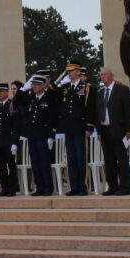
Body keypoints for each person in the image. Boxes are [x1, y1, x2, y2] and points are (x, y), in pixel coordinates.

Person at [89, 67, 130, 195]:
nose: (103, 77)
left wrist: (129, 129)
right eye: (101, 75)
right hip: (104, 130)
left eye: (105, 74)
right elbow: (97, 112)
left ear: (111, 75)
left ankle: (125, 187)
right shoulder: (100, 92)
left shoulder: (122, 90)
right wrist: (98, 131)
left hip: (119, 130)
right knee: (109, 160)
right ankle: (112, 186)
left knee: (122, 159)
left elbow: (128, 110)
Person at [16, 75, 57, 196]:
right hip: (32, 134)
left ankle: (48, 187)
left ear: (43, 85)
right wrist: (23, 90)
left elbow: (52, 118)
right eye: (33, 85)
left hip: (43, 134)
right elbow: (16, 102)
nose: (34, 87)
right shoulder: (30, 98)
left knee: (44, 162)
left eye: (37, 85)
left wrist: (51, 135)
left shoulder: (49, 98)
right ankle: (39, 187)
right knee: (35, 162)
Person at [55, 63, 90, 196]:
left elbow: (89, 109)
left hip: (80, 127)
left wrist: (89, 127)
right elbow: (52, 88)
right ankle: (74, 186)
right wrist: (61, 77)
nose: (69, 74)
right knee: (71, 158)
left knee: (81, 158)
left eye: (71, 71)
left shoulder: (86, 88)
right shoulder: (65, 87)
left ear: (78, 72)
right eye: (67, 72)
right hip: (68, 127)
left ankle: (82, 186)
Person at [0, 83, 19, 196]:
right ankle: (4, 187)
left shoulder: (12, 105)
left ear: (7, 92)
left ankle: (12, 188)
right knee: (0, 166)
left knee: (10, 165)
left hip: (8, 140)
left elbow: (15, 125)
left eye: (1, 91)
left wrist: (14, 142)